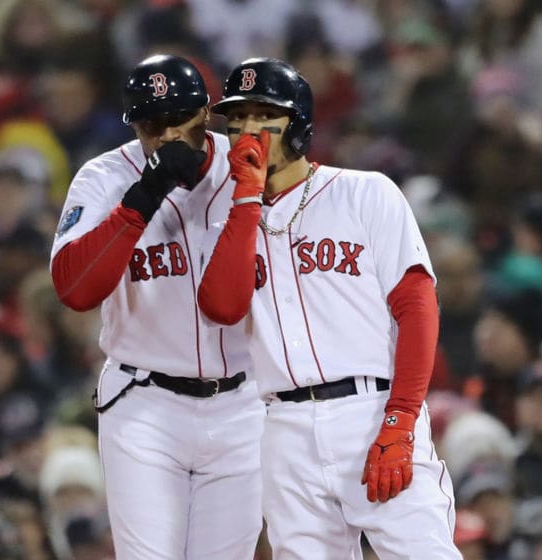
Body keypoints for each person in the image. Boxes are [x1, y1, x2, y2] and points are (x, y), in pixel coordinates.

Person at [197, 57, 459, 558]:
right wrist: (246, 199)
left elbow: (417, 307)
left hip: (370, 409)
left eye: (262, 115)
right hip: (282, 428)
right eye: (238, 118)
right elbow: (223, 308)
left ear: (296, 124)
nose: (248, 130)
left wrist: (400, 420)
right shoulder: (227, 224)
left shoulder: (365, 192)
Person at [49, 54, 264, 559]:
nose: (166, 135)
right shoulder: (104, 178)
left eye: (178, 119)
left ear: (206, 113)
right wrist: (143, 196)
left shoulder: (247, 170)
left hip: (242, 403)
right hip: (146, 403)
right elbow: (75, 289)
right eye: (151, 124)